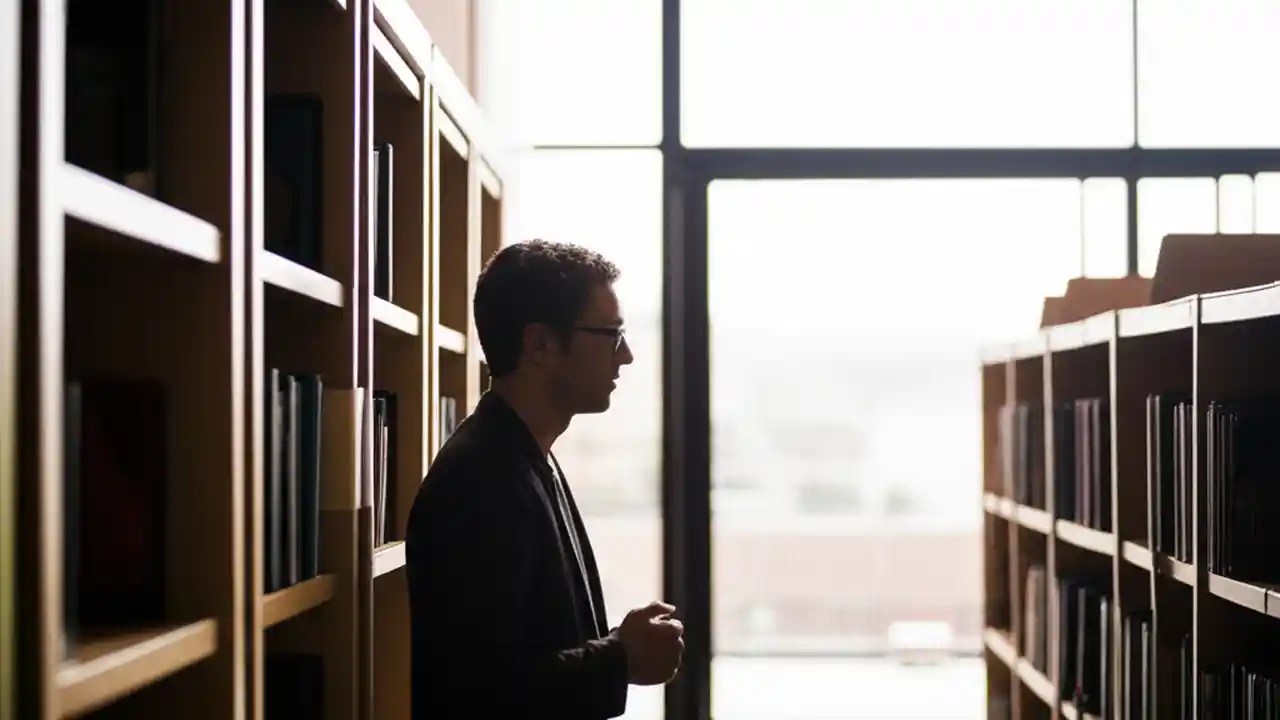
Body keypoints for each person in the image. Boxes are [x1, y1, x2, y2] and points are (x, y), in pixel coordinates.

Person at [405, 239, 685, 718]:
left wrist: (616, 650)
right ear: (540, 345)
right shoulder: (478, 482)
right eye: (611, 335)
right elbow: (480, 690)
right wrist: (620, 656)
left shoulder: (525, 457)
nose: (628, 356)